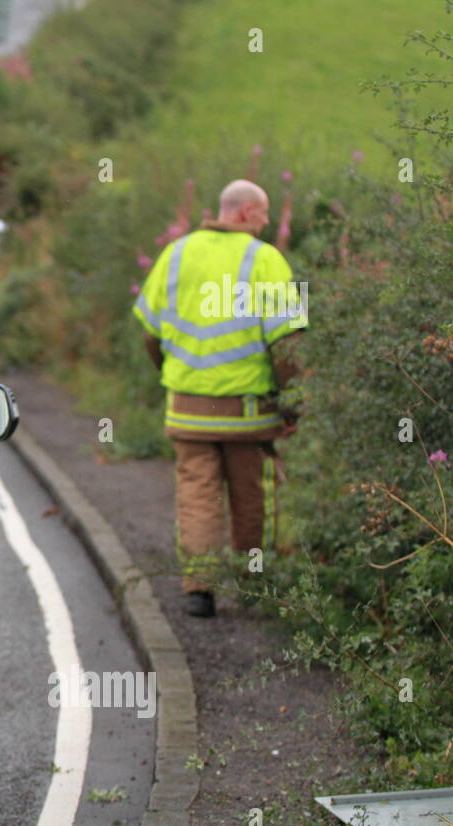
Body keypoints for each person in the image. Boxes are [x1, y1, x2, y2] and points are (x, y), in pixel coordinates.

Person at [132, 179, 306, 617]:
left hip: (188, 407)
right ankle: (252, 586)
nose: (267, 222)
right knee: (250, 496)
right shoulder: (266, 259)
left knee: (196, 495)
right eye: (263, 213)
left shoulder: (175, 255)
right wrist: (292, 403)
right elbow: (287, 346)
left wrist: (173, 375)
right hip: (248, 412)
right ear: (245, 213)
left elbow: (151, 336)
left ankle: (200, 591)